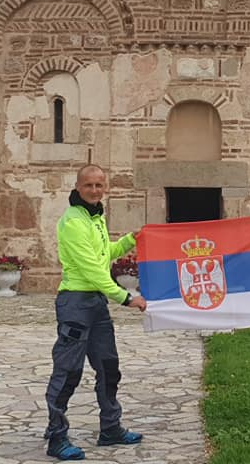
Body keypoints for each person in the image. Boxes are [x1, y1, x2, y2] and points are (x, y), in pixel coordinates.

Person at [44, 164, 147, 460]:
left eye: (99, 185)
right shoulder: (73, 222)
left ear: (104, 187)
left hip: (96, 305)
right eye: (88, 185)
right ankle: (56, 437)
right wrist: (126, 298)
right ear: (78, 187)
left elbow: (104, 255)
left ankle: (111, 428)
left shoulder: (95, 216)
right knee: (68, 372)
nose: (94, 190)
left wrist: (130, 240)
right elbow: (92, 270)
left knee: (108, 367)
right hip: (75, 303)